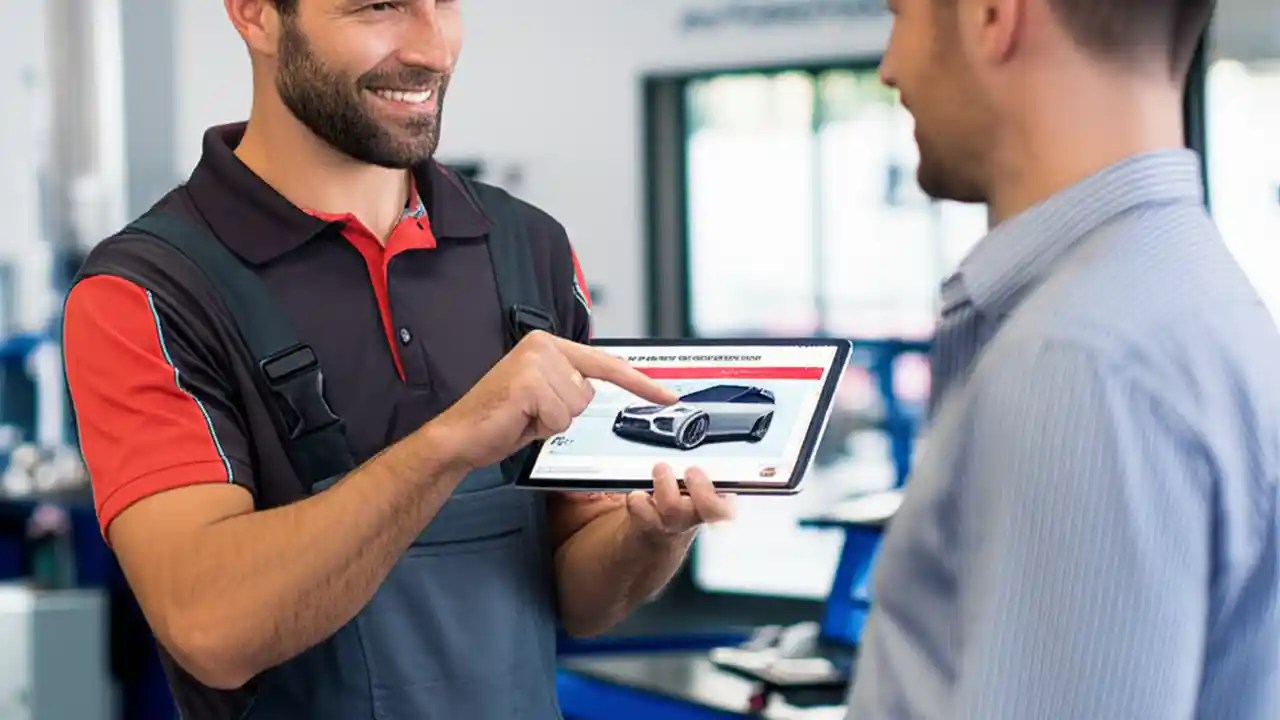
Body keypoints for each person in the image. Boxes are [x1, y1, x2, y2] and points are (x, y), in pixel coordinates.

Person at [61, 1, 733, 718]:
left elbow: (575, 597)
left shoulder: (526, 247)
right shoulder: (146, 292)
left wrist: (650, 537)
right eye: (380, 7)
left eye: (445, 2)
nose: (433, 48)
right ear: (255, 15)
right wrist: (448, 443)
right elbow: (210, 629)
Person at [847, 0, 1279, 717]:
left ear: (993, 15)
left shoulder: (1079, 363)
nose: (891, 67)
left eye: (903, 14)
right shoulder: (1198, 300)